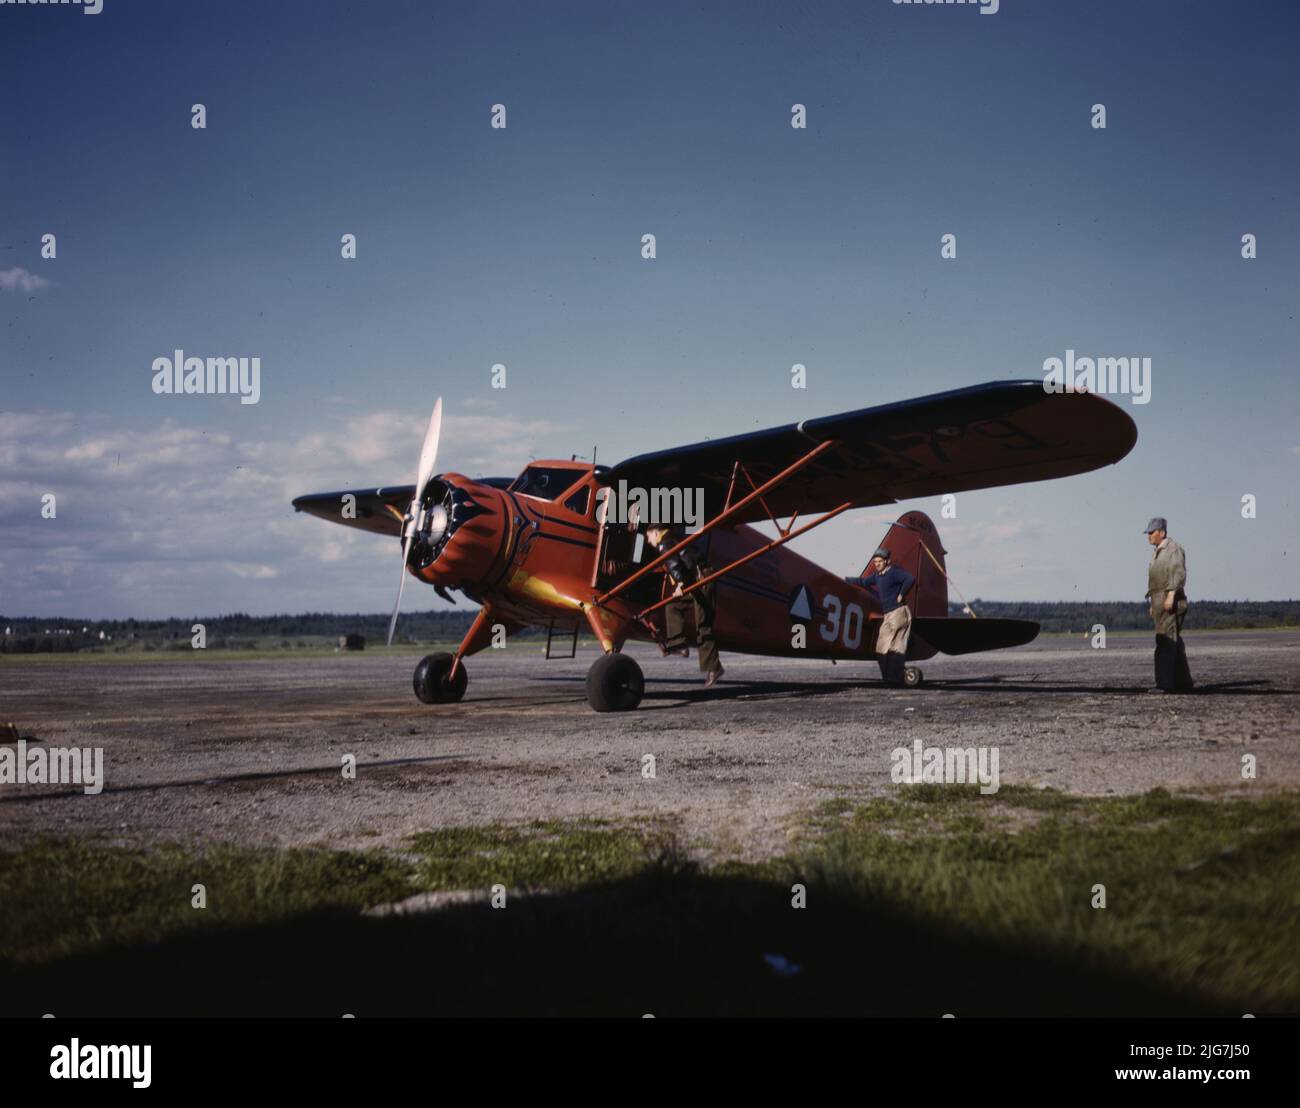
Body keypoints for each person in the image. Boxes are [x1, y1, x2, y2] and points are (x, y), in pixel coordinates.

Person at [645, 524, 724, 688]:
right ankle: (678, 644)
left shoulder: (664, 542)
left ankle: (714, 668)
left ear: (655, 532)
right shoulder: (673, 538)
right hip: (696, 580)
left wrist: (680, 584)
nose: (648, 540)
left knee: (703, 624)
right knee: (673, 606)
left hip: (702, 579)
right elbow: (683, 561)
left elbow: (674, 564)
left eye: (648, 536)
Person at [846, 547, 916, 686]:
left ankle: (895, 680)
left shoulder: (894, 573)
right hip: (888, 615)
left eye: (880, 561)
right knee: (881, 648)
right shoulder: (877, 576)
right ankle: (890, 679)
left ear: (887, 561)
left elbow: (910, 578)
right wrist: (845, 579)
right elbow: (863, 582)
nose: (877, 564)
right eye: (875, 561)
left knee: (896, 649)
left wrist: (902, 594)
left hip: (899, 613)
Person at [1144, 517, 1194, 693]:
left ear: (1162, 532)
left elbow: (1178, 574)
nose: (1148, 536)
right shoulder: (1158, 551)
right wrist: (1153, 603)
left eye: (1152, 532)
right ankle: (1184, 682)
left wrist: (1171, 596)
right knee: (1173, 642)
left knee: (1165, 643)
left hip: (1170, 601)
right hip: (1160, 601)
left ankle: (1164, 684)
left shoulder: (1173, 550)